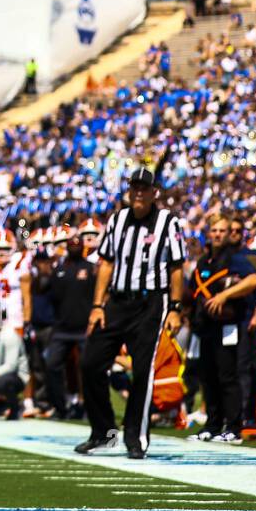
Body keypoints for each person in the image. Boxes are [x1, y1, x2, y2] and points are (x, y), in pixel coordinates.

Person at [77, 167, 186, 459]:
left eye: (144, 188)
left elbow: (177, 268)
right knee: (90, 362)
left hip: (151, 304)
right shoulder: (118, 219)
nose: (138, 192)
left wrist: (175, 309)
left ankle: (136, 437)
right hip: (117, 302)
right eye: (134, 187)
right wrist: (98, 305)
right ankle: (103, 431)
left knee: (142, 371)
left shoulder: (167, 222)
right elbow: (107, 263)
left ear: (154, 193)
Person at [187, 213, 256, 443]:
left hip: (228, 324)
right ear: (208, 233)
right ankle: (212, 424)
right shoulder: (203, 260)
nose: (218, 234)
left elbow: (254, 280)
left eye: (222, 231)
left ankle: (234, 427)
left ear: (229, 234)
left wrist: (224, 295)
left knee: (228, 375)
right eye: (214, 230)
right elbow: (192, 291)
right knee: (208, 376)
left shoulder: (236, 258)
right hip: (204, 325)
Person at [42, 229, 96, 420]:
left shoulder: (91, 269)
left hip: (84, 328)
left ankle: (88, 407)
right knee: (51, 365)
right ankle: (60, 406)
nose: (74, 247)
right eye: (71, 245)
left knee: (88, 368)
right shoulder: (58, 270)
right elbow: (44, 291)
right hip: (62, 328)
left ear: (82, 247)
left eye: (77, 245)